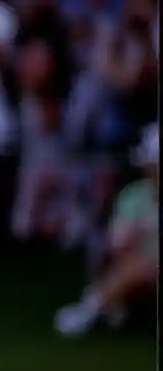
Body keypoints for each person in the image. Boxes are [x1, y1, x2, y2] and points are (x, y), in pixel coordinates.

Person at [55, 123, 158, 337]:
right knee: (137, 264)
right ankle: (101, 306)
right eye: (151, 165)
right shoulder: (134, 196)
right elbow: (118, 242)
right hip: (140, 269)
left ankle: (96, 305)